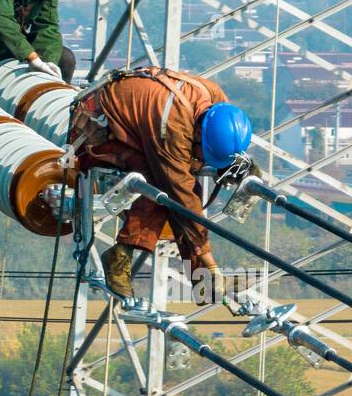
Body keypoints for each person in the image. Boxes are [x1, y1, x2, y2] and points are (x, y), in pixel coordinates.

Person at [68, 67, 253, 305]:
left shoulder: (216, 103)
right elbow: (182, 196)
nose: (203, 163)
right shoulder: (172, 126)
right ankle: (120, 257)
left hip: (135, 124)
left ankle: (203, 281)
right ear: (198, 135)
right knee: (161, 189)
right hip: (97, 131)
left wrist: (234, 167)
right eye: (204, 155)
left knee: (174, 189)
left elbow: (220, 147)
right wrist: (208, 258)